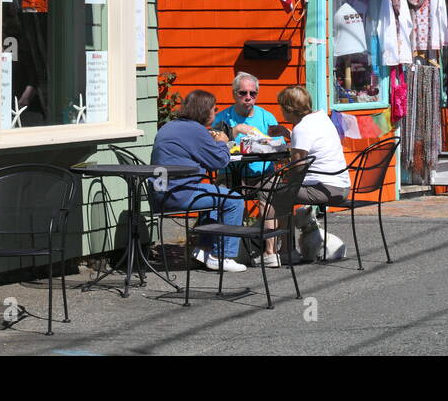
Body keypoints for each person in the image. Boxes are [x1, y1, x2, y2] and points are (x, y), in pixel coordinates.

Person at [150, 89, 248, 272]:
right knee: (234, 200)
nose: (215, 112)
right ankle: (222, 256)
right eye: (214, 108)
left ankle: (204, 249)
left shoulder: (170, 126)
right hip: (178, 194)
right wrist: (223, 142)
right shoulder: (195, 131)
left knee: (214, 195)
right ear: (205, 111)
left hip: (160, 191)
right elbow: (219, 161)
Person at [259, 86, 351, 267]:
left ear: (288, 108)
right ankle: (286, 250)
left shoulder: (302, 128)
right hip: (340, 186)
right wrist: (289, 135)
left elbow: (297, 167)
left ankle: (272, 252)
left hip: (323, 189)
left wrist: (281, 180)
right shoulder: (321, 118)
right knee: (281, 191)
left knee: (266, 190)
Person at [212, 72, 283, 181]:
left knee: (275, 193)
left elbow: (280, 147)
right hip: (229, 175)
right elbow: (214, 149)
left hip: (263, 174)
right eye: (243, 93)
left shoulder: (267, 117)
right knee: (221, 196)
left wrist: (259, 138)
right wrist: (237, 129)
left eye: (253, 93)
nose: (248, 97)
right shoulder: (221, 118)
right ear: (234, 94)